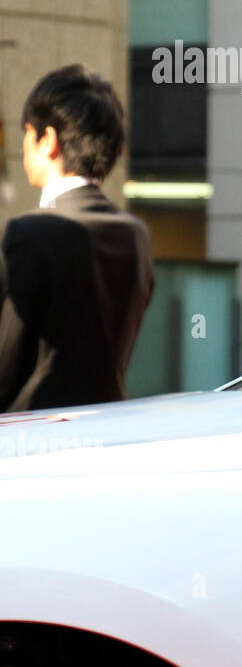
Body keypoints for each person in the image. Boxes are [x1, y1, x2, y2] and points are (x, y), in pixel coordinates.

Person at [0, 64, 155, 412]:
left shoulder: (26, 234)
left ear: (48, 141)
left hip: (28, 444)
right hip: (107, 431)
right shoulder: (136, 235)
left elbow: (5, 365)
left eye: (27, 133)